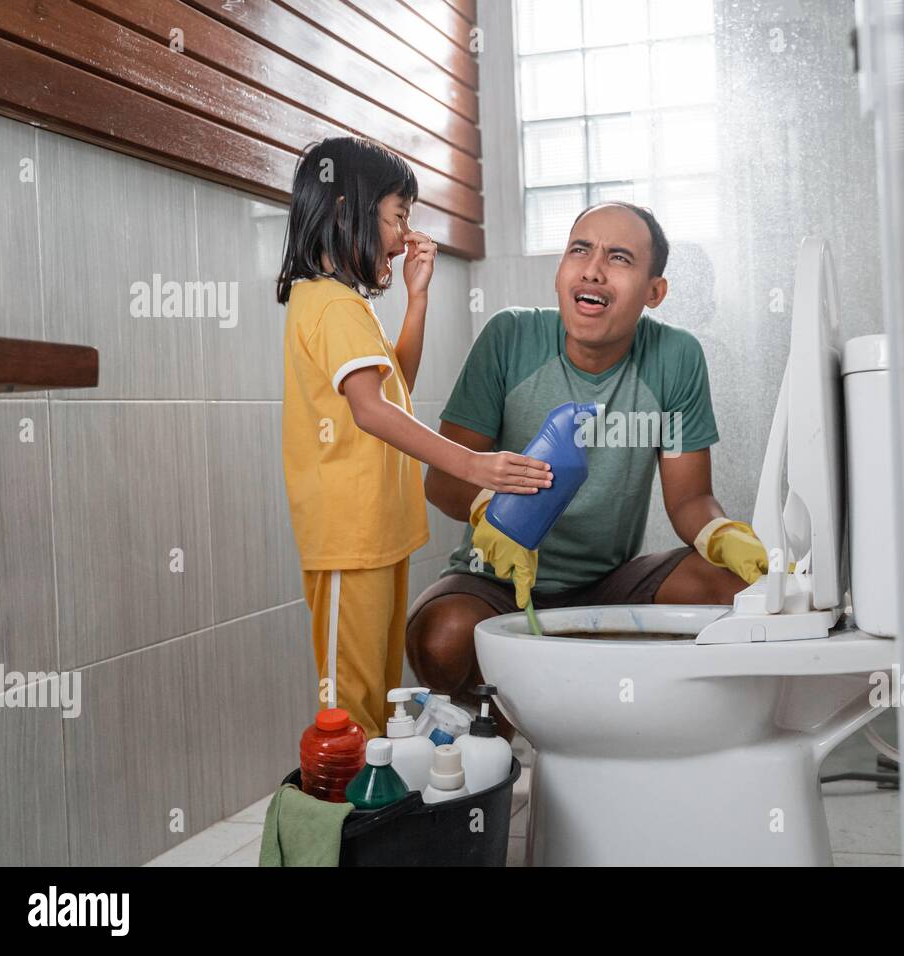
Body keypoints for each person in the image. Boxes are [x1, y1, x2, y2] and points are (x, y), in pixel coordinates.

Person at [406, 201, 769, 738]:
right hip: (497, 579)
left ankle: (670, 741)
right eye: (580, 249)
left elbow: (689, 500)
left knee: (731, 588)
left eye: (619, 257)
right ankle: (496, 744)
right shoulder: (510, 339)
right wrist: (493, 512)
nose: (593, 268)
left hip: (607, 584)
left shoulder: (676, 358)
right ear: (561, 270)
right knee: (443, 636)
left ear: (654, 292)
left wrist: (722, 535)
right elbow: (444, 478)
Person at [276, 137, 551, 740]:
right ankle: (340, 829)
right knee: (348, 707)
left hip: (373, 531)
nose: (405, 234)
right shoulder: (330, 305)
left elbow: (393, 386)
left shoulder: (344, 303)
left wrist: (416, 296)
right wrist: (474, 467)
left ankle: (375, 820)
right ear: (350, 207)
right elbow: (372, 413)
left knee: (373, 697)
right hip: (348, 533)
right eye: (398, 215)